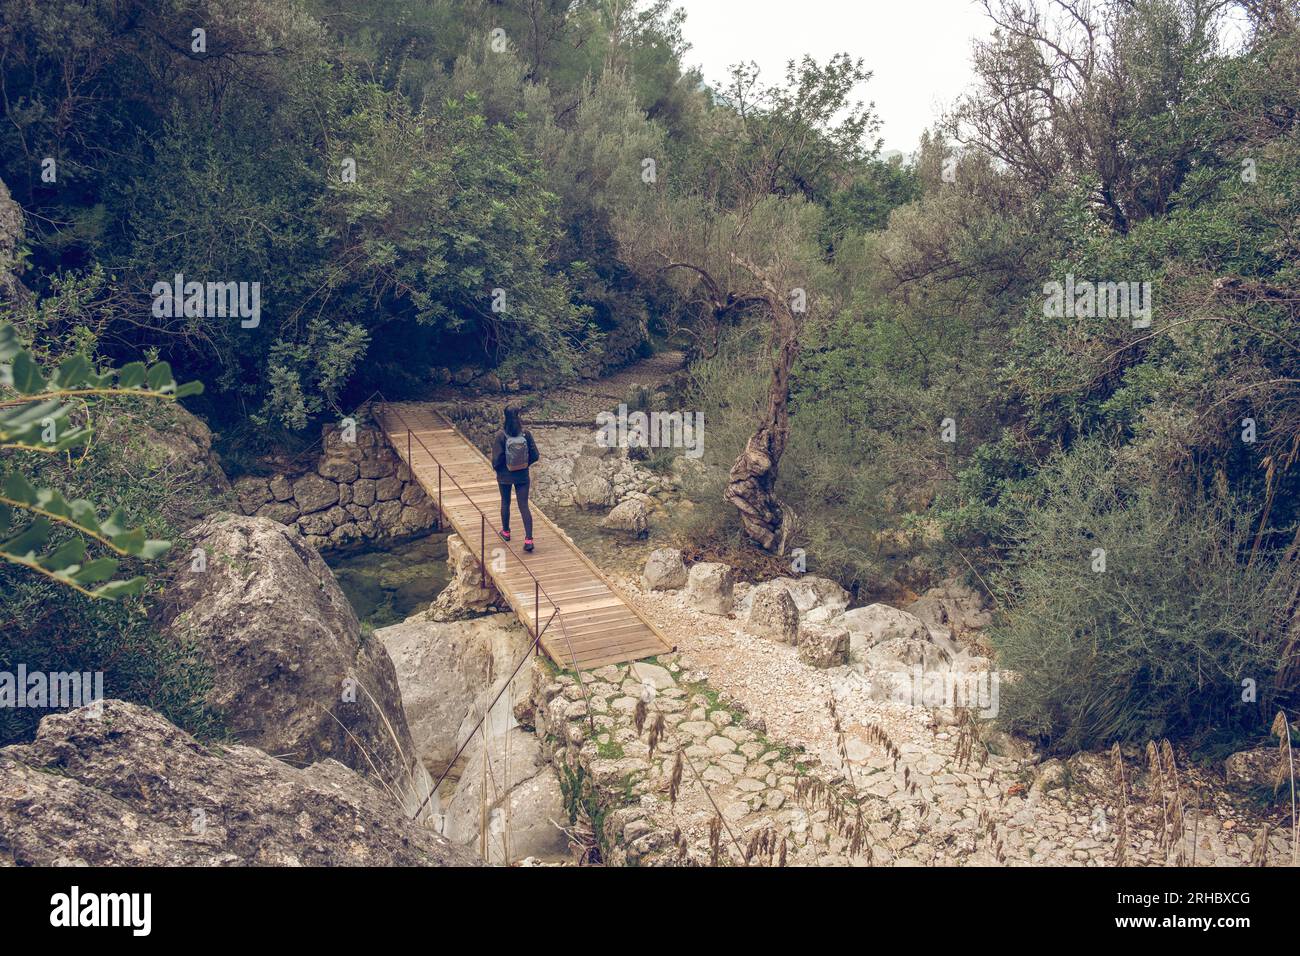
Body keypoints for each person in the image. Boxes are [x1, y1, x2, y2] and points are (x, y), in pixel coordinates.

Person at [490, 405, 539, 552]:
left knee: (505, 502)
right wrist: (524, 465)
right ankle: (529, 539)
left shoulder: (501, 436)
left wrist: (501, 470)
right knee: (523, 505)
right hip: (522, 476)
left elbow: (496, 460)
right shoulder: (526, 434)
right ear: (519, 416)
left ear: (505, 416)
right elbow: (535, 455)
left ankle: (506, 532)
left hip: (505, 476)